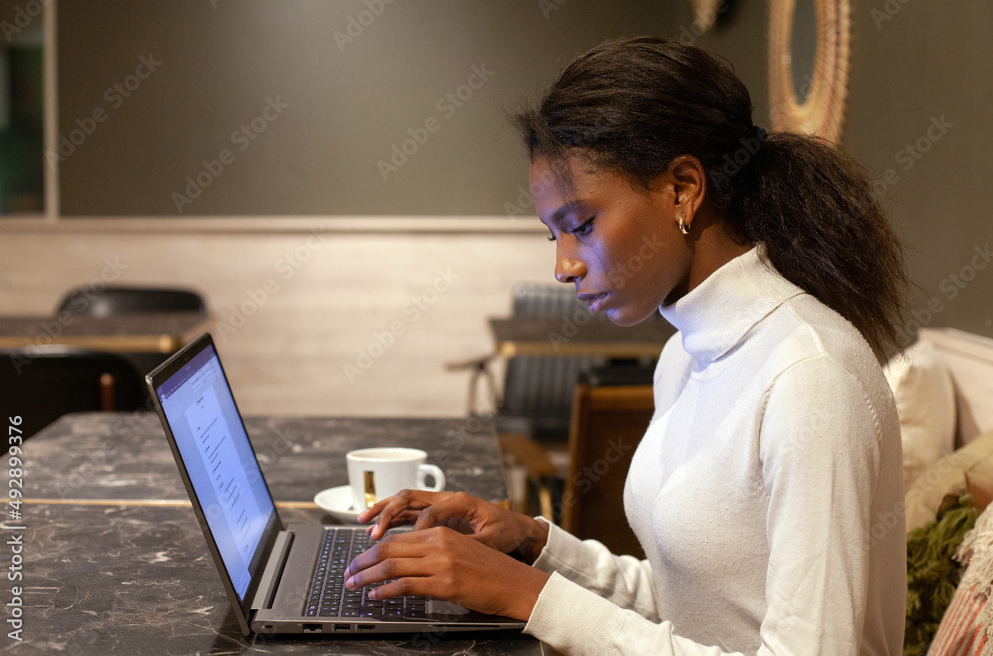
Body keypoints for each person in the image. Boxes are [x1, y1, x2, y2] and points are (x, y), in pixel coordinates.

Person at [343, 36, 909, 654]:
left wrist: (526, 595)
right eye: (555, 235)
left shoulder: (810, 377)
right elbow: (687, 604)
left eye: (582, 226)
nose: (563, 266)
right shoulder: (684, 355)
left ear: (683, 188)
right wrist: (532, 542)